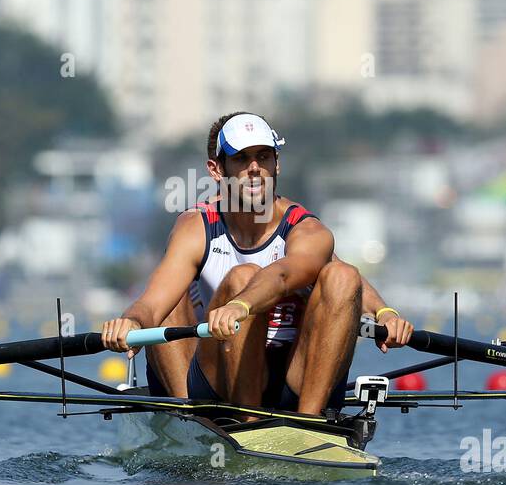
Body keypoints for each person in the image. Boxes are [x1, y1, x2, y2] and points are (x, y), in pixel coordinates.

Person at [101, 112, 413, 416]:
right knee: (230, 279)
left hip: (294, 378)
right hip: (219, 381)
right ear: (217, 169)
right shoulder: (195, 228)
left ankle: (309, 423)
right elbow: (152, 302)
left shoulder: (306, 230)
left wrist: (386, 314)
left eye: (264, 157)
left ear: (277, 164)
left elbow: (287, 275)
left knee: (341, 275)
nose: (255, 169)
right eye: (241, 159)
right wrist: (131, 322)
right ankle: (203, 417)